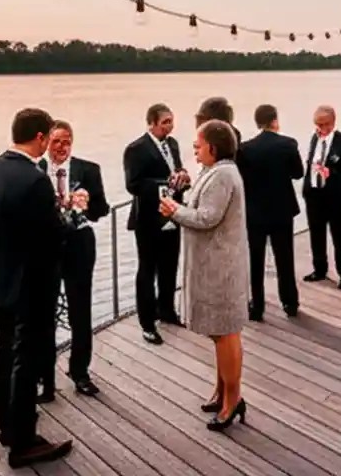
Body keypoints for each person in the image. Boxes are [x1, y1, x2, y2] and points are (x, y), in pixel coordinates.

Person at [0, 108, 73, 468]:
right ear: (41, 138)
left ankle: (7, 426)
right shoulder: (35, 180)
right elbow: (53, 236)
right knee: (27, 358)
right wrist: (69, 215)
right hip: (32, 283)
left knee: (4, 350)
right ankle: (25, 441)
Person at [159, 120, 250, 432]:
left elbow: (207, 218)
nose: (195, 151)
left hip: (220, 269)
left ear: (213, 146)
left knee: (225, 332)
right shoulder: (215, 172)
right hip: (214, 265)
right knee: (218, 334)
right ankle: (222, 390)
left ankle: (233, 400)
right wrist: (180, 204)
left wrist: (175, 211)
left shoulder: (223, 175)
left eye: (198, 145)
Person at [37, 120, 109, 399]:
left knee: (81, 311)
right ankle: (45, 380)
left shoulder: (88, 169)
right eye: (56, 141)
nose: (61, 147)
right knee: (45, 315)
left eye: (67, 141)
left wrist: (88, 204)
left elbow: (102, 209)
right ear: (46, 143)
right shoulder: (35, 171)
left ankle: (80, 373)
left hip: (80, 244)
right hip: (48, 248)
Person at [123, 104, 191, 345]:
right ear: (151, 122)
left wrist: (182, 175)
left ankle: (167, 310)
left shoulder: (172, 144)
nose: (170, 126)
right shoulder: (136, 149)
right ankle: (147, 322)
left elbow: (177, 168)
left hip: (173, 214)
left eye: (171, 121)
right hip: (148, 218)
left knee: (170, 264)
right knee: (147, 269)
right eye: (165, 122)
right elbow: (133, 184)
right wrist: (164, 183)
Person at [236, 104, 304, 321]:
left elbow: (241, 179)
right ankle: (290, 302)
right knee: (285, 258)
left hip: (255, 211)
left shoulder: (245, 149)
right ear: (275, 120)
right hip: (282, 210)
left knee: (255, 260)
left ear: (257, 123)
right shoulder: (288, 144)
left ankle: (257, 306)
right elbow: (298, 173)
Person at [302, 105, 341, 290]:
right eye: (317, 124)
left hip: (335, 196)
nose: (321, 128)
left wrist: (333, 170)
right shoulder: (314, 139)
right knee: (316, 234)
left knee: (339, 236)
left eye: (324, 124)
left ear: (333, 122)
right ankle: (319, 269)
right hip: (314, 194)